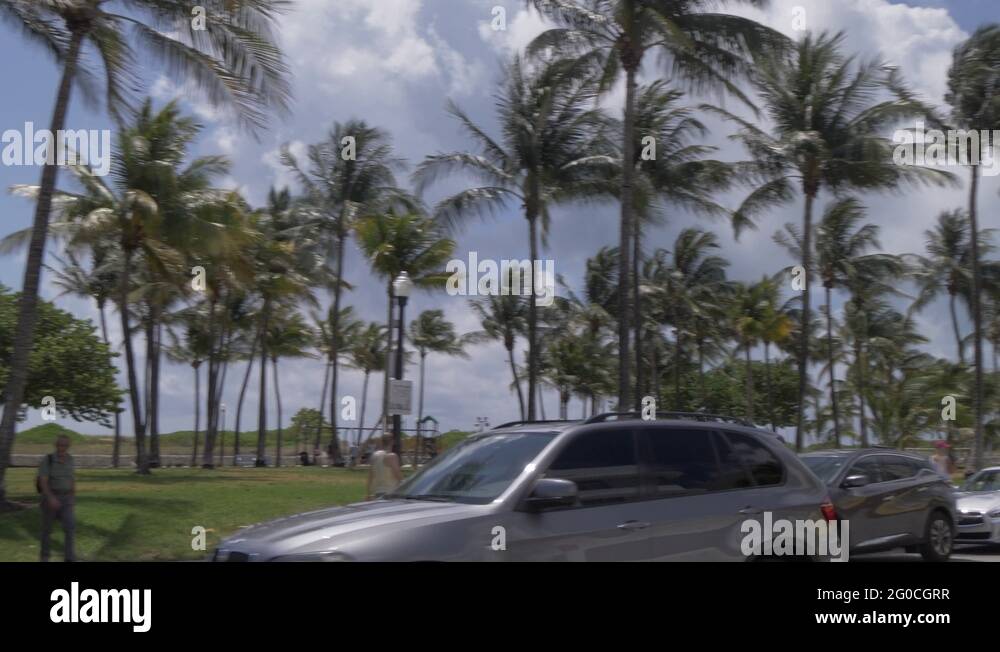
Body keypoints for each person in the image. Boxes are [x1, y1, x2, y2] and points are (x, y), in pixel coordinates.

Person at [38, 434, 76, 562]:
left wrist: (72, 497)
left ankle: (69, 558)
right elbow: (43, 481)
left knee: (70, 528)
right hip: (51, 497)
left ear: (68, 446)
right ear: (56, 445)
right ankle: (44, 557)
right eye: (60, 445)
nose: (62, 448)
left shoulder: (71, 459)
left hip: (66, 499)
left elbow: (71, 479)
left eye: (65, 445)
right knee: (47, 530)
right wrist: (50, 498)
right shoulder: (48, 459)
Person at [366, 434, 402, 500]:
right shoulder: (392, 456)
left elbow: (370, 477)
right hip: (391, 493)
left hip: (377, 492)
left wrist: (368, 494)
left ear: (381, 442)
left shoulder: (374, 456)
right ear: (392, 442)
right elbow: (398, 477)